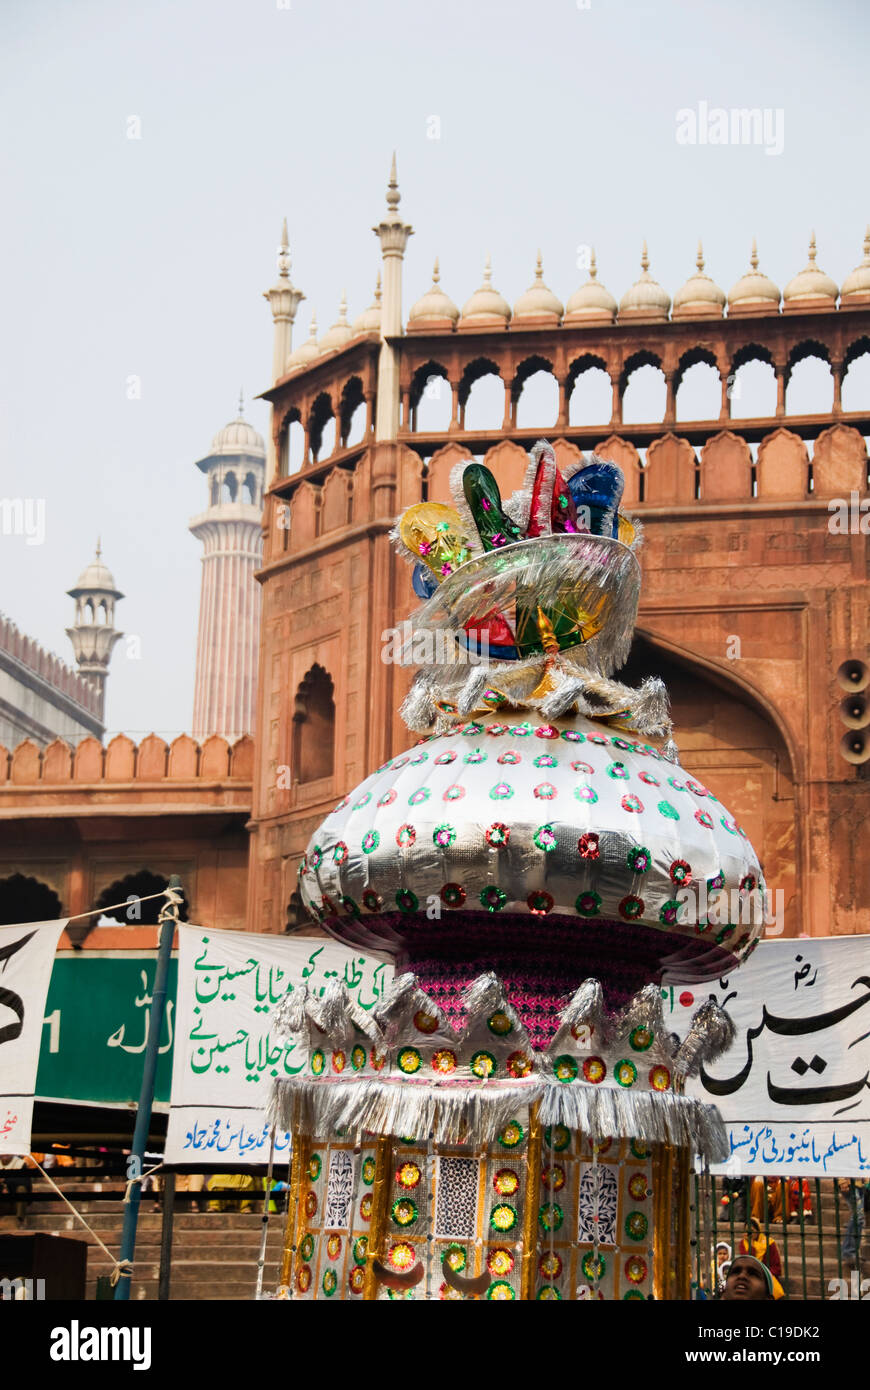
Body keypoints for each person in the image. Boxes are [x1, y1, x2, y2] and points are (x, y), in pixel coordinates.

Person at [839, 1177, 867, 1271]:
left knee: (857, 1217)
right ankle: (849, 1252)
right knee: (858, 1217)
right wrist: (842, 1181)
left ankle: (850, 1251)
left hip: (859, 1184)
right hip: (850, 1184)